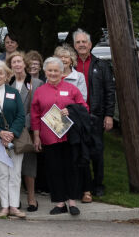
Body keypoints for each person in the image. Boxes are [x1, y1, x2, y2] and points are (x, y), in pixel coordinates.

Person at [31, 55, 88, 215]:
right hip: (49, 137)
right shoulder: (40, 91)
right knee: (54, 170)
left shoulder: (72, 89)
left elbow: (84, 108)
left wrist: (71, 110)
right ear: (45, 72)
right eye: (50, 70)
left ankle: (72, 201)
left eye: (56, 70)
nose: (53, 73)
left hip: (69, 137)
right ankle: (60, 203)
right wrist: (36, 136)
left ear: (62, 72)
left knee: (71, 169)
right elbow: (35, 115)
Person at [71, 29, 116, 204]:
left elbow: (110, 92)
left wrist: (109, 115)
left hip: (96, 116)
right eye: (78, 42)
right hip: (76, 117)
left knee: (96, 152)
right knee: (79, 153)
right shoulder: (70, 65)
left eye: (84, 42)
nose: (81, 44)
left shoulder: (101, 65)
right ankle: (83, 185)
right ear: (74, 46)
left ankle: (98, 185)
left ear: (90, 45)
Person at [0, 59, 28, 218]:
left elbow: (21, 115)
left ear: (7, 75)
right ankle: (4, 206)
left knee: (15, 173)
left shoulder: (13, 93)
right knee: (2, 173)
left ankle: (14, 206)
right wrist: (0, 133)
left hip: (15, 140)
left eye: (1, 73)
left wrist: (11, 133)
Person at [8, 51, 39, 211]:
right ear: (11, 65)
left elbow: (36, 110)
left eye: (19, 61)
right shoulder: (7, 84)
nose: (17, 65)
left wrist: (21, 125)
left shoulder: (36, 83)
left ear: (24, 64)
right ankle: (15, 199)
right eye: (14, 62)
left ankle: (31, 198)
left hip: (29, 129)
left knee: (29, 165)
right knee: (13, 166)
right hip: (11, 131)